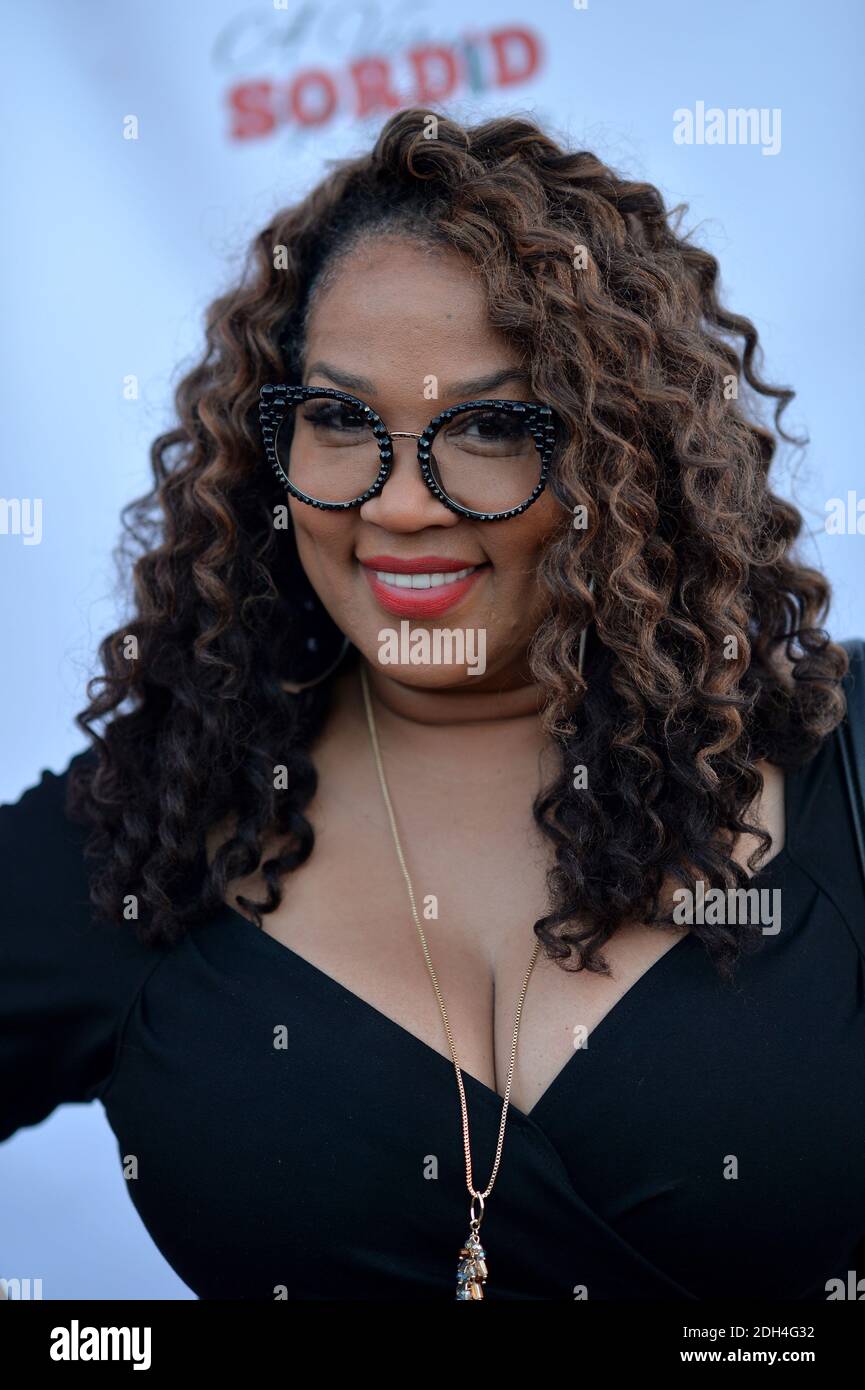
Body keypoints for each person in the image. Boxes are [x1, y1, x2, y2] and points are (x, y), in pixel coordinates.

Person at [2, 107, 863, 1302]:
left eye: (497, 427)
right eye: (342, 420)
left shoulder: (839, 762)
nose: (400, 507)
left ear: (625, 460)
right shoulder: (153, 820)